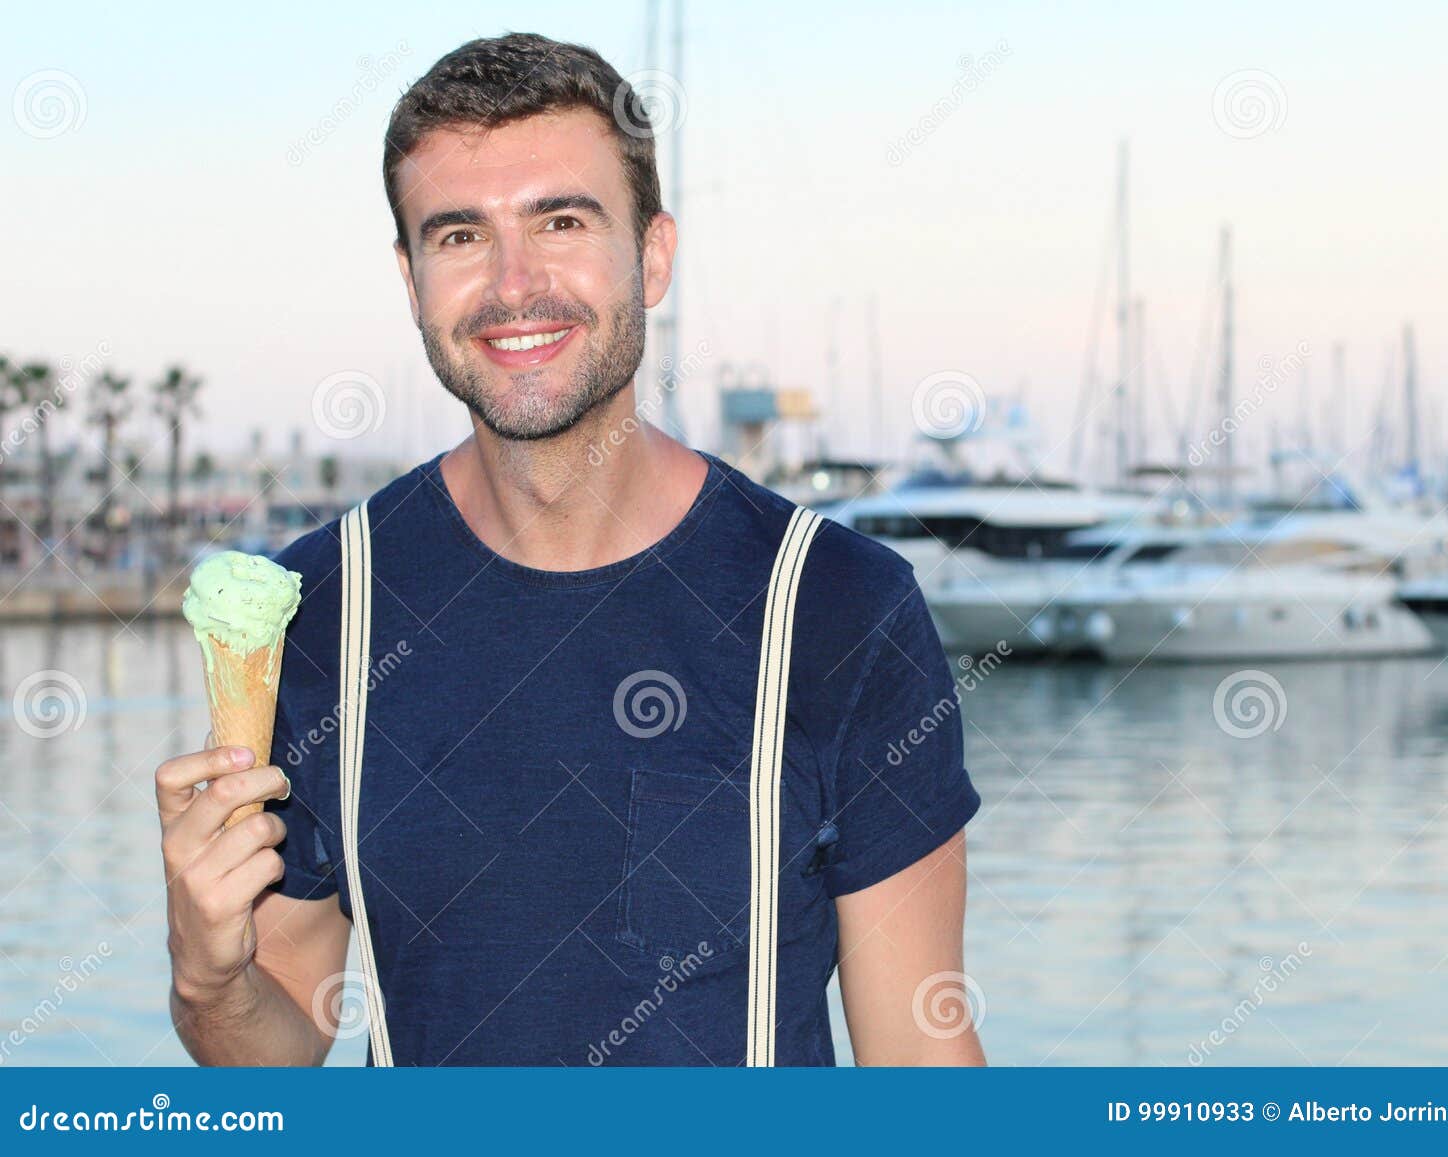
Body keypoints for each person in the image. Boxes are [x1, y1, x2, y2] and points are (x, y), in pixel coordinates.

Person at [157, 31, 982, 1066]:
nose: (514, 283)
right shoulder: (323, 606)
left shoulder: (837, 605)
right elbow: (270, 1052)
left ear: (653, 255)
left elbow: (922, 1067)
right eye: (461, 235)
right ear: (411, 279)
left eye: (561, 221)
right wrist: (207, 976)